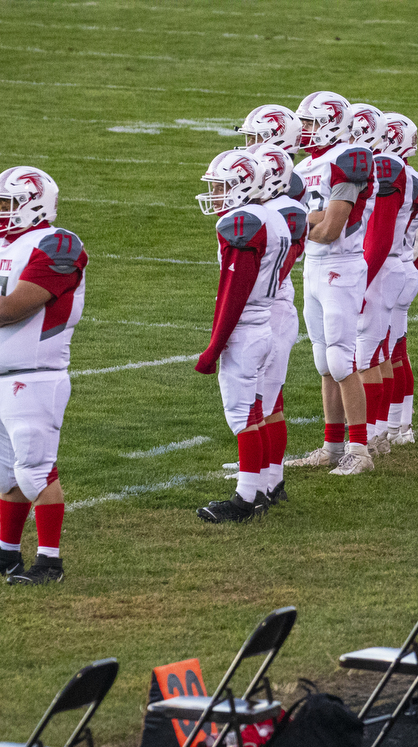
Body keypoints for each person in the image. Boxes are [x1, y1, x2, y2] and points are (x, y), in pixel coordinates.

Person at [0, 166, 86, 585]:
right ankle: (6, 554)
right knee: (4, 471)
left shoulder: (59, 244)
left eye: (6, 204)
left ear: (35, 203)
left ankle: (50, 563)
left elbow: (7, 309)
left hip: (35, 377)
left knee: (35, 470)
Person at [192, 150, 292, 524]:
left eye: (220, 186)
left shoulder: (243, 222)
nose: (215, 194)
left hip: (247, 327)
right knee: (260, 409)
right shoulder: (274, 216)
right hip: (267, 319)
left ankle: (245, 500)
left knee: (243, 416)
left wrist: (213, 347)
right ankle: (265, 487)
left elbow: (233, 293)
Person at [287, 91, 376, 476]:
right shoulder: (309, 163)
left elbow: (332, 228)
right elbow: (313, 222)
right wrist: (310, 220)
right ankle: (333, 446)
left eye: (308, 123)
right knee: (324, 360)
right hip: (315, 267)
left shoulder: (348, 157)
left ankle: (360, 449)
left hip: (342, 264)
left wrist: (301, 224)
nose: (302, 131)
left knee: (341, 359)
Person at [348, 103, 407, 456]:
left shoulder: (385, 165)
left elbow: (382, 235)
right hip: (388, 265)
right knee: (380, 352)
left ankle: (370, 436)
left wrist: (362, 280)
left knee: (365, 357)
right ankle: (381, 431)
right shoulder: (390, 164)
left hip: (379, 267)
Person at [251, 144, 307, 504]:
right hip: (271, 308)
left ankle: (257, 486)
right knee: (268, 403)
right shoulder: (277, 206)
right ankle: (271, 480)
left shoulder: (281, 210)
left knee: (257, 405)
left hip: (269, 309)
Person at [379, 111, 418, 444]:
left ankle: (386, 428)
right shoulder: (415, 178)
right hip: (405, 265)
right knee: (397, 350)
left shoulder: (390, 177)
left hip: (388, 267)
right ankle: (402, 426)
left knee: (381, 354)